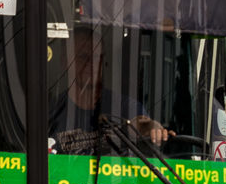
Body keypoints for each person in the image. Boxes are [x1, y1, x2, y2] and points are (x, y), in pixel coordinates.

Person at [48, 26, 169, 155]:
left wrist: (150, 128)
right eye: (83, 56)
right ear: (64, 61)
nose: (91, 63)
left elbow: (139, 123)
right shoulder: (51, 112)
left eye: (96, 57)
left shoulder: (125, 107)